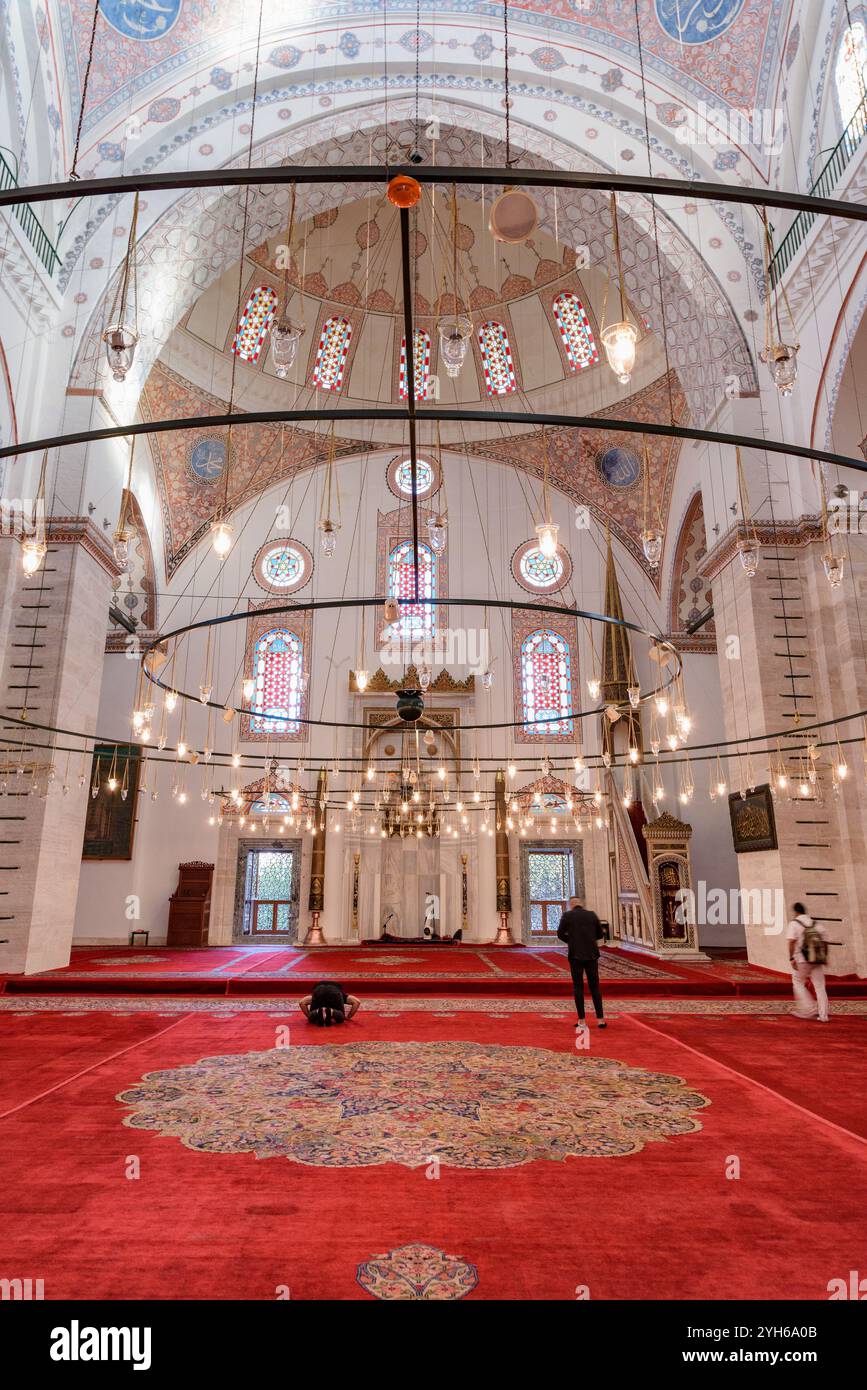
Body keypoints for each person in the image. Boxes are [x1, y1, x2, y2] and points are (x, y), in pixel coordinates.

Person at [557, 895, 606, 1030]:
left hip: (575, 955)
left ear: (571, 905)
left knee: (578, 986)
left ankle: (582, 1020)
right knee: (595, 987)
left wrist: (572, 941)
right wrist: (589, 940)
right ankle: (601, 1019)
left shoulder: (567, 916)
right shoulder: (591, 915)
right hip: (591, 955)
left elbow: (560, 934)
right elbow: (600, 935)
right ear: (581, 904)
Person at [787, 903, 830, 1022]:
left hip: (802, 959)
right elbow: (825, 942)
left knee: (798, 982)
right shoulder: (817, 924)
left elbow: (791, 942)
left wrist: (791, 958)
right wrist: (824, 957)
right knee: (820, 987)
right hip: (817, 959)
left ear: (796, 912)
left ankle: (809, 1008)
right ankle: (824, 1015)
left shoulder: (794, 924)